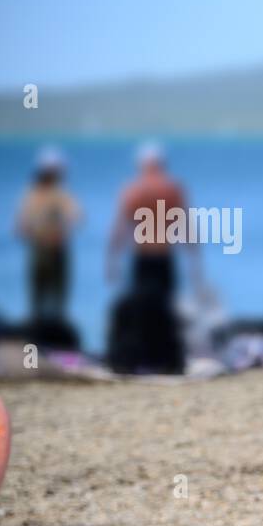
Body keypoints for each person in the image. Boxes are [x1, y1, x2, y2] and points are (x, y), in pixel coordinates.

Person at [105, 143, 199, 374]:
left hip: (142, 257)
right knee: (165, 310)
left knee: (141, 310)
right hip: (164, 257)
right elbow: (184, 225)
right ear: (162, 163)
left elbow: (120, 228)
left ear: (141, 165)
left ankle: (141, 357)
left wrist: (112, 261)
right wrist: (195, 262)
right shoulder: (172, 189)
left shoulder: (133, 190)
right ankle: (165, 360)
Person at [14, 147, 81, 325]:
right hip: (56, 250)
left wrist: (37, 235)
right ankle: (54, 342)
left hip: (38, 251)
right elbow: (77, 217)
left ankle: (35, 342)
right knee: (58, 304)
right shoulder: (59, 194)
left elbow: (20, 228)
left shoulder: (30, 194)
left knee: (37, 301)